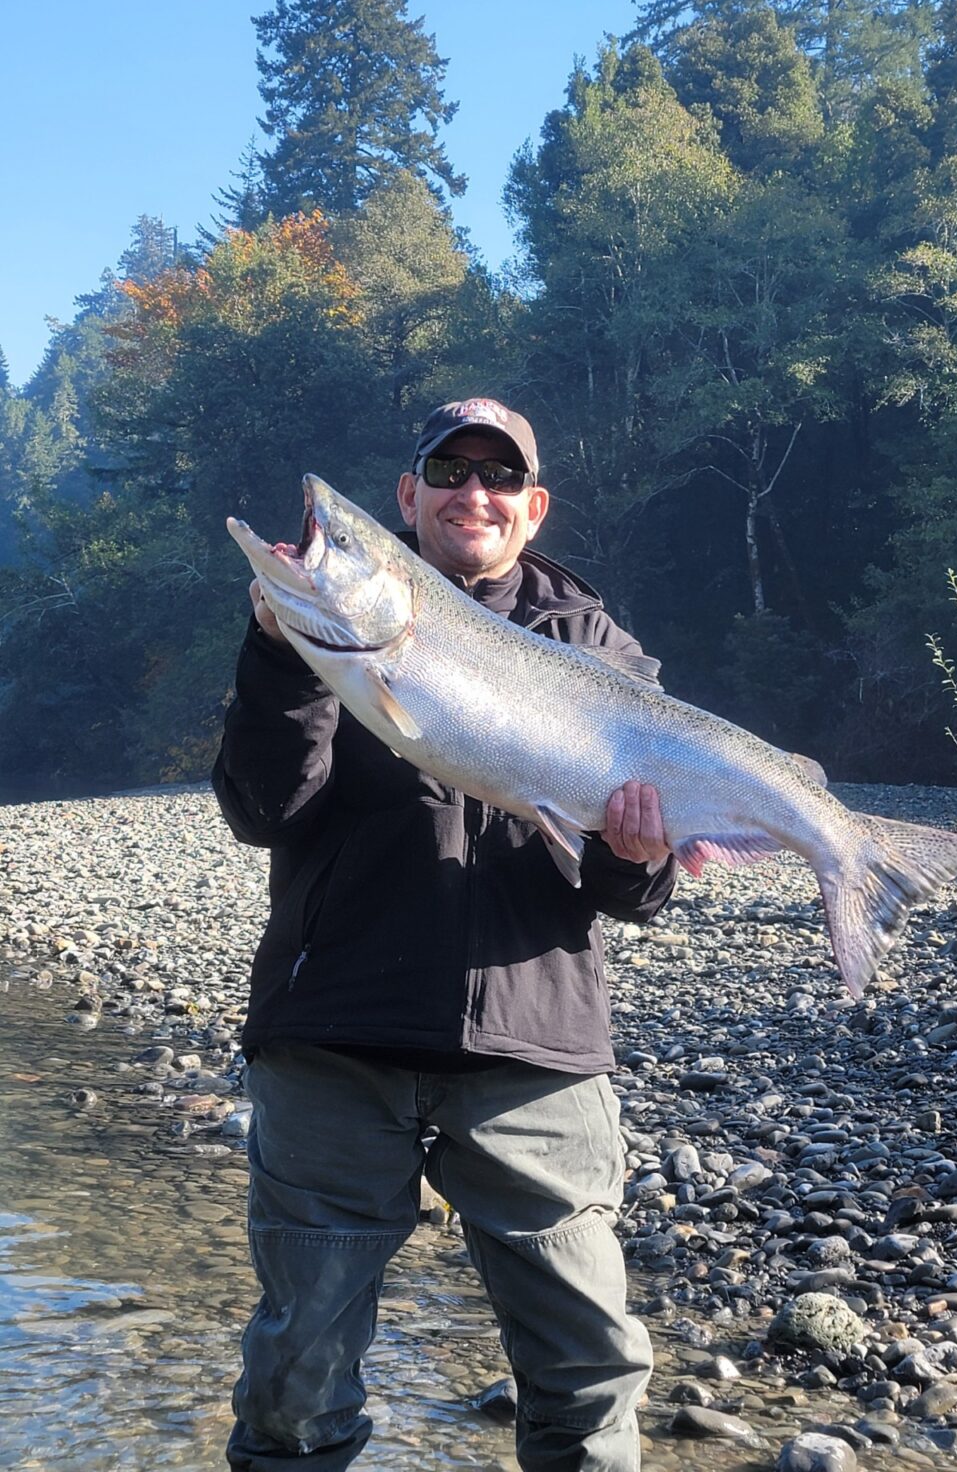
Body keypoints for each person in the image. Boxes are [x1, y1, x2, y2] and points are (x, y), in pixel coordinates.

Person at [212, 397, 678, 1472]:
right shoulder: (314, 636)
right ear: (409, 498)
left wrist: (638, 853)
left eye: (499, 476)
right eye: (449, 470)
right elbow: (262, 814)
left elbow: (632, 898)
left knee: (588, 1373)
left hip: (535, 1055)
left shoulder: (599, 651)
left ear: (533, 509)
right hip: (335, 1038)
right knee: (297, 1377)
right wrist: (285, 656)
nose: (476, 491)